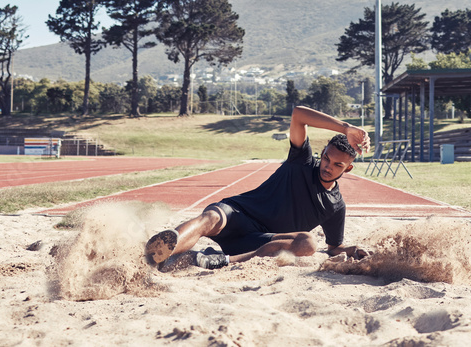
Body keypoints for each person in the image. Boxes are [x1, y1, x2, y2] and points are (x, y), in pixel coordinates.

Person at [145, 106, 372, 272]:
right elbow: (298, 115)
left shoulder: (335, 206)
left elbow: (333, 247)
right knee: (210, 217)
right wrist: (345, 127)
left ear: (348, 168)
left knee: (309, 243)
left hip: (262, 240)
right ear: (322, 153)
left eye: (337, 165)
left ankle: (223, 261)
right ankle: (160, 251)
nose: (328, 166)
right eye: (326, 159)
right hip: (239, 214)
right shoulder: (301, 161)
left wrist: (351, 250)